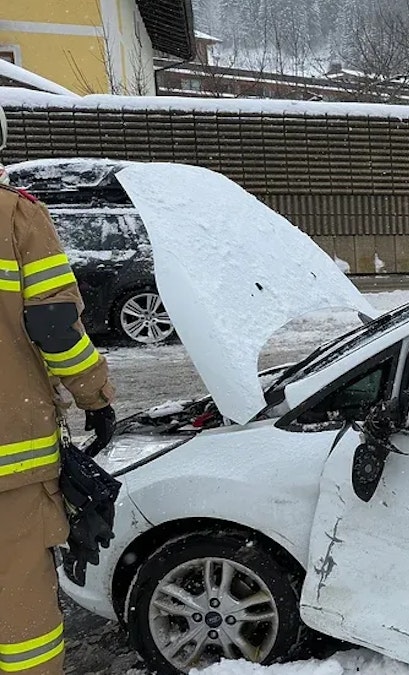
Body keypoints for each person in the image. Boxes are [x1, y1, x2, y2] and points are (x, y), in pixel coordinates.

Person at [1, 105, 117, 675]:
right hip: (10, 461)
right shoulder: (15, 217)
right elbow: (55, 329)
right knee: (21, 612)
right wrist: (96, 397)